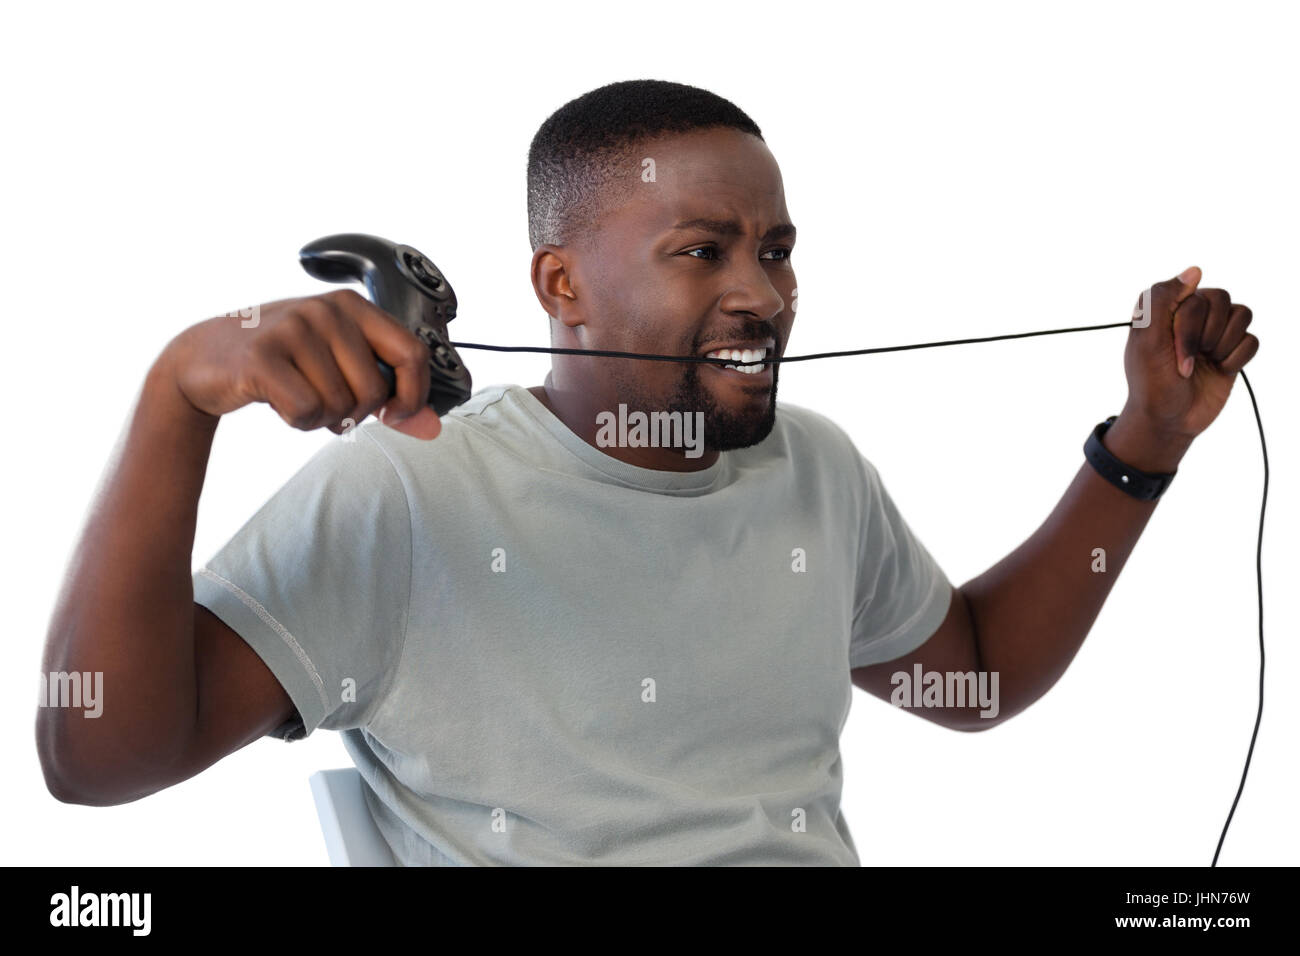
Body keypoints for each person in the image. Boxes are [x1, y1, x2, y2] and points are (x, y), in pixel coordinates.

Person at [36, 79, 1260, 865]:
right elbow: (97, 757)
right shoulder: (409, 491)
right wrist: (176, 402)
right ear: (560, 287)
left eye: (775, 251)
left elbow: (974, 679)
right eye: (702, 250)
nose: (762, 294)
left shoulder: (813, 470)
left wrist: (1143, 446)